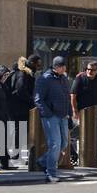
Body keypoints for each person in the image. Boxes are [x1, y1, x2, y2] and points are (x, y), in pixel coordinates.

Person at [34, 56, 72, 184]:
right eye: (61, 66)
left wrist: (69, 114)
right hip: (52, 116)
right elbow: (38, 99)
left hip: (63, 116)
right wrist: (48, 114)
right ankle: (51, 172)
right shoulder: (45, 79)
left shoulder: (64, 79)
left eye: (64, 66)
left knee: (64, 143)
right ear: (55, 67)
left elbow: (67, 97)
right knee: (55, 144)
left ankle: (43, 161)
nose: (64, 68)